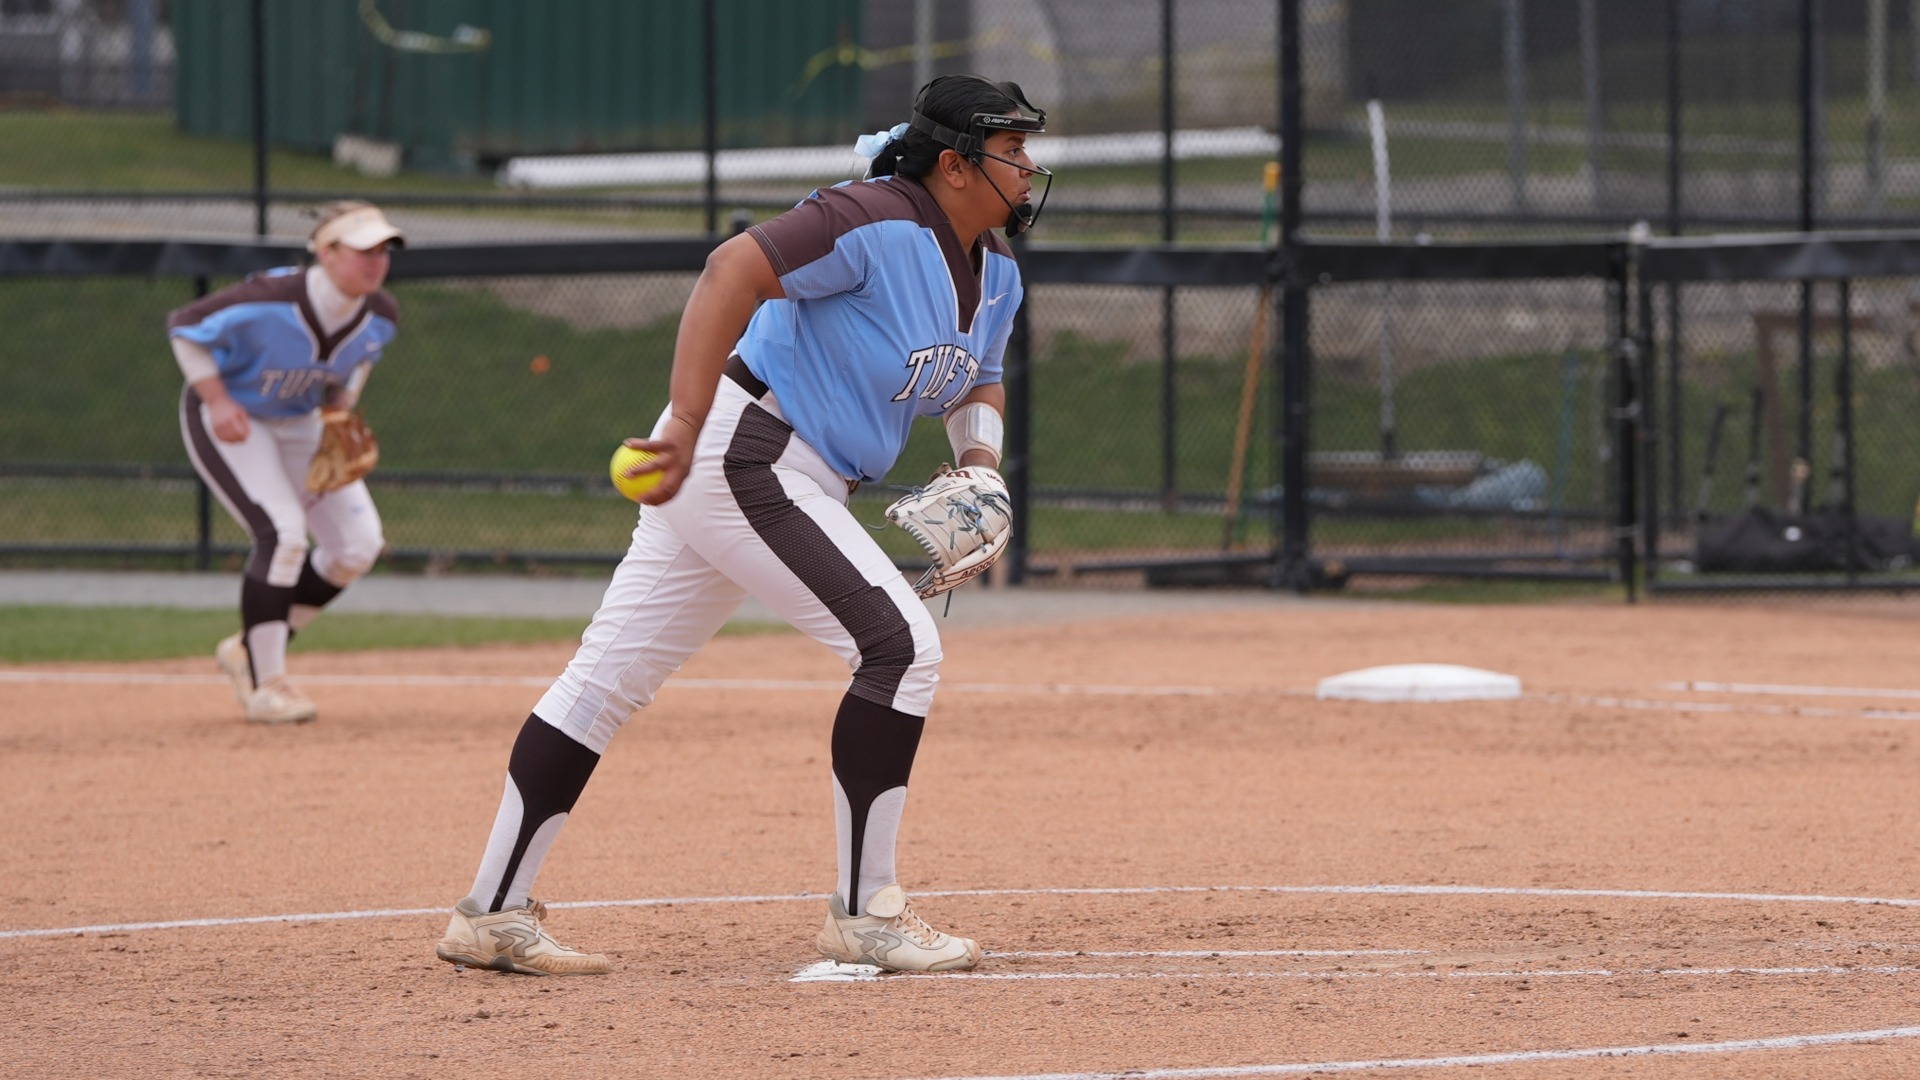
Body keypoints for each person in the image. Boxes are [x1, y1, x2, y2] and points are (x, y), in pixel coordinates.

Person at [433, 75, 1053, 976]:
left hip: (790, 471)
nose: (1030, 166)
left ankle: (489, 913)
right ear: (955, 165)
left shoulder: (993, 271)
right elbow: (735, 267)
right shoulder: (871, 216)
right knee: (899, 651)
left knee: (606, 678)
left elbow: (978, 382)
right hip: (746, 453)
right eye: (1013, 148)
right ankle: (865, 911)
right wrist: (682, 420)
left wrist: (982, 466)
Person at [168, 201, 405, 725]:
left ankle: (247, 647)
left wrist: (340, 408)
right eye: (363, 250)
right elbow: (185, 326)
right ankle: (267, 683)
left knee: (357, 547)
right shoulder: (269, 299)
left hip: (301, 422)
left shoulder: (380, 314)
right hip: (236, 420)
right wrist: (217, 399)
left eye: (384, 250)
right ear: (325, 252)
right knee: (284, 534)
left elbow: (358, 360)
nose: (376, 261)